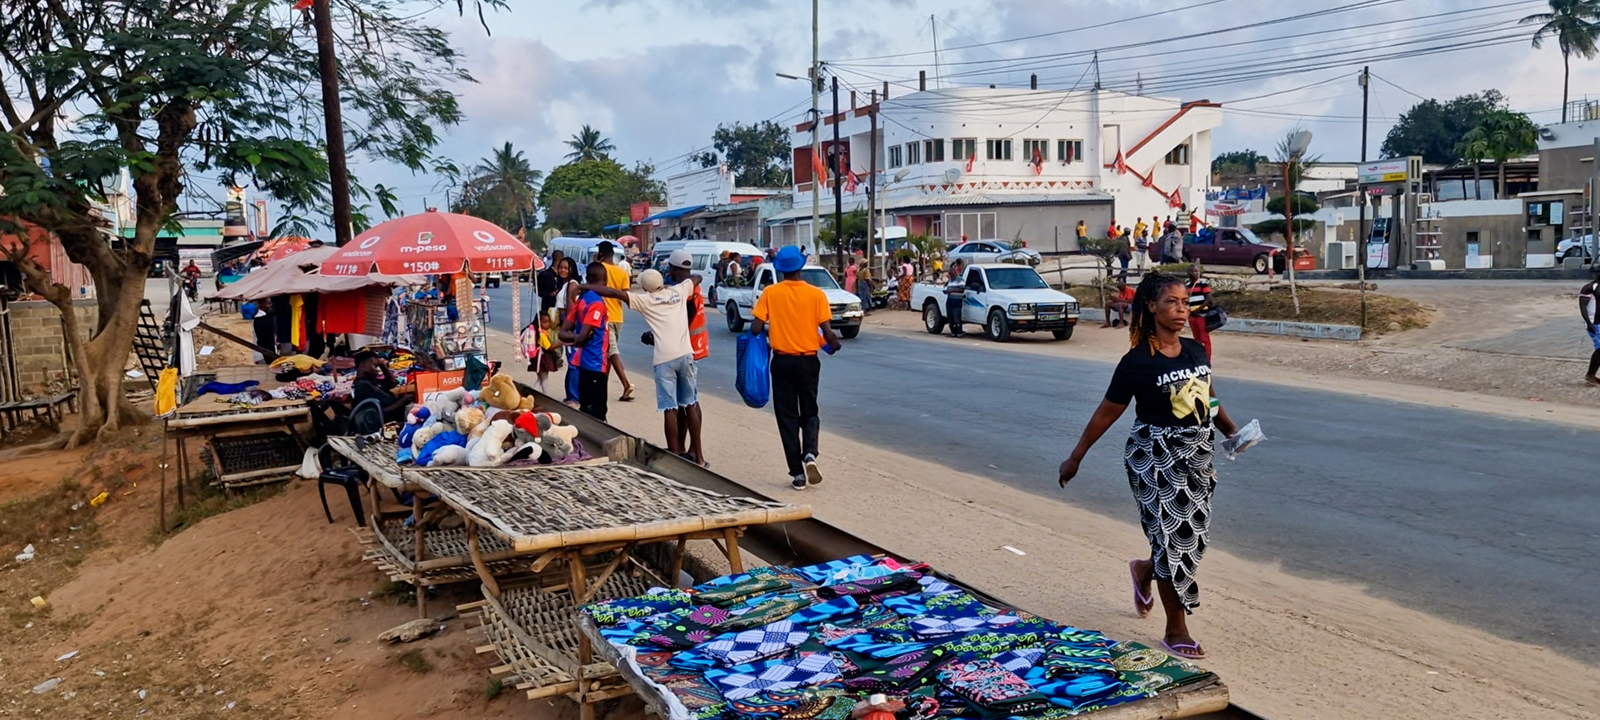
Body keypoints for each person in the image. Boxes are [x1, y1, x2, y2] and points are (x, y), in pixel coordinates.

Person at [1057, 272, 1240, 662]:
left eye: (1184, 302)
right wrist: (1076, 456)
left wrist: (1231, 431)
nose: (1180, 309)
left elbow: (1206, 397)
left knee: (1191, 540)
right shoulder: (1136, 362)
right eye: (1171, 302)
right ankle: (1176, 629)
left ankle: (1143, 571)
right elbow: (1107, 413)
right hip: (1153, 458)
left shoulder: (1195, 351)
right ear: (1151, 307)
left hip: (1195, 457)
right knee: (1172, 541)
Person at [576, 253, 707, 463]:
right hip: (686, 355)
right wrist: (688, 280)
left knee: (670, 409)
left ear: (645, 287)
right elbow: (697, 277)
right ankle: (699, 457)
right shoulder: (679, 291)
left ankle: (674, 457)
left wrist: (583, 287)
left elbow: (611, 292)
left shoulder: (645, 300)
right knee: (690, 404)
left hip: (664, 360)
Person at [751, 245, 842, 491]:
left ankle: (797, 474)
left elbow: (756, 328)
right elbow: (827, 331)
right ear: (801, 267)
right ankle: (810, 453)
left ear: (779, 269)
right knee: (810, 411)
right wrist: (834, 344)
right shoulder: (816, 295)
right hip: (808, 361)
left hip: (781, 362)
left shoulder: (770, 293)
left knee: (787, 417)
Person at [558, 262, 612, 421]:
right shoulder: (596, 303)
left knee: (586, 409)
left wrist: (577, 339)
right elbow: (582, 336)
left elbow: (563, 333)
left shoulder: (582, 300)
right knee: (597, 415)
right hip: (595, 363)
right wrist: (581, 338)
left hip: (583, 362)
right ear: (605, 280)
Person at [595, 241, 636, 402]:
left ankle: (626, 384)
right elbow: (626, 296)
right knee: (608, 354)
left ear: (600, 253)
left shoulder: (599, 270)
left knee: (611, 352)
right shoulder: (622, 272)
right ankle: (602, 387)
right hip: (618, 317)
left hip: (603, 317)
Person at [353, 350, 414, 425]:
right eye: (374, 366)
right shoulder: (362, 387)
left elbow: (392, 383)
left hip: (399, 414)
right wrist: (401, 402)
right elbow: (375, 414)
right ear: (363, 364)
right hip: (389, 424)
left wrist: (382, 365)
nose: (377, 370)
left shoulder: (371, 381)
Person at [1186, 264, 1213, 360]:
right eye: (1193, 271)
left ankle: (1207, 359)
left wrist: (1198, 309)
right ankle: (1200, 358)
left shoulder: (1202, 284)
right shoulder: (1187, 287)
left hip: (1201, 315)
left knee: (1204, 338)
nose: (1195, 273)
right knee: (1196, 339)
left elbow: (1208, 298)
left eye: (1197, 271)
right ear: (1188, 273)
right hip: (1192, 316)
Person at [1581, 266, 1600, 385]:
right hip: (1594, 323)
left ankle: (1591, 374)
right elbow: (1582, 306)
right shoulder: (1589, 288)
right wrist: (1588, 322)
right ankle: (1590, 375)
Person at [944, 259, 967, 338]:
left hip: (957, 302)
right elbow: (944, 289)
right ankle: (953, 332)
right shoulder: (950, 281)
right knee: (950, 318)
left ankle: (959, 332)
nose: (950, 275)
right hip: (949, 301)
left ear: (955, 273)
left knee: (957, 317)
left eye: (951, 273)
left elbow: (962, 289)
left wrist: (951, 290)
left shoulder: (960, 280)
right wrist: (947, 291)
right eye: (950, 273)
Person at [537, 250, 564, 316]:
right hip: (548, 306)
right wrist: (550, 294)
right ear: (560, 259)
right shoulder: (545, 274)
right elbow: (538, 291)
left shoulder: (562, 275)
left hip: (561, 307)